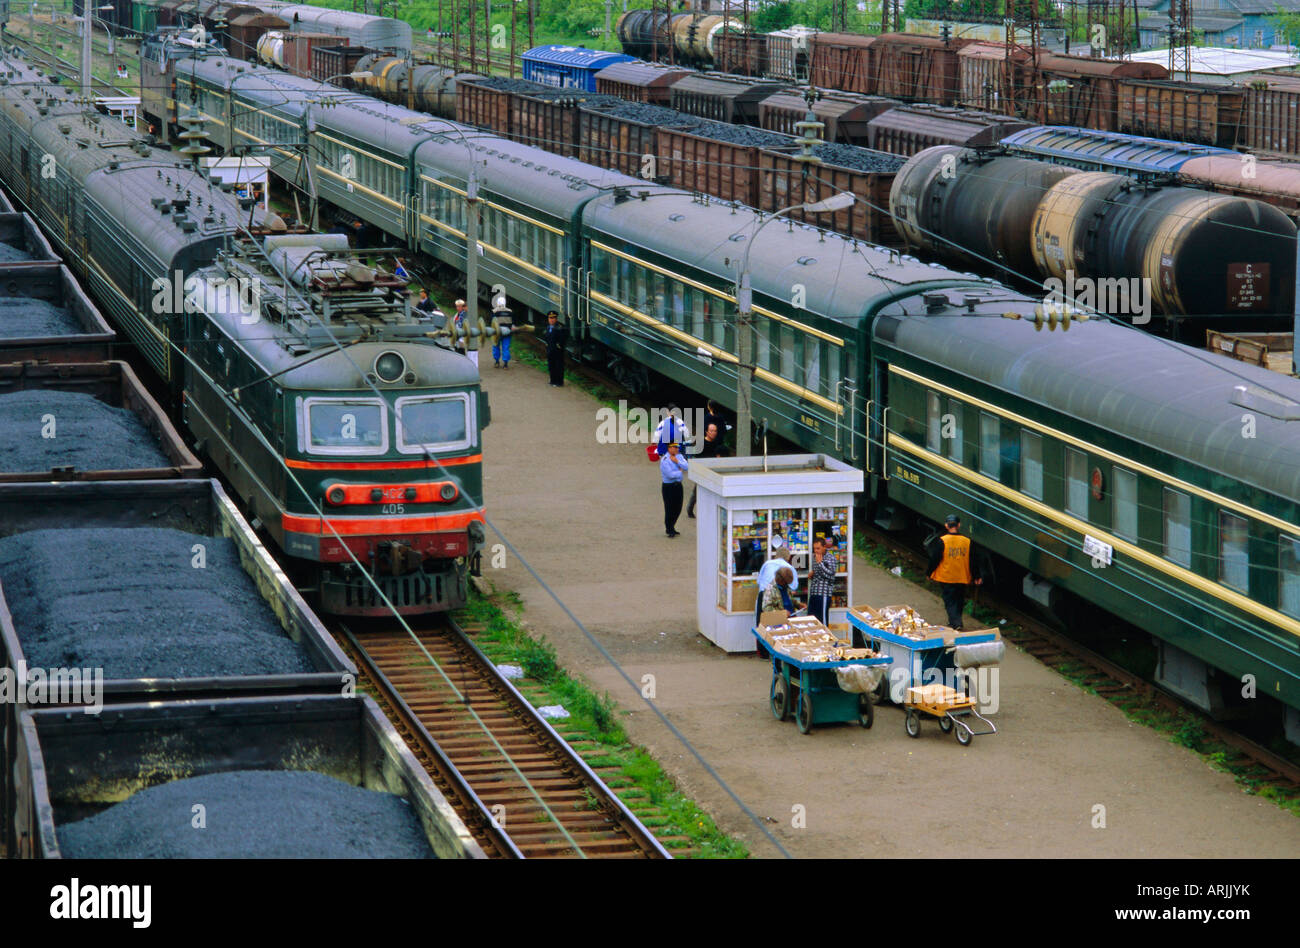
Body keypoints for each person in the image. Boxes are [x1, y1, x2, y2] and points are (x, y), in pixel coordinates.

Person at [927, 514, 983, 630]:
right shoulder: (967, 541)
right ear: (959, 525)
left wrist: (929, 573)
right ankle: (955, 621)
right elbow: (973, 560)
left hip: (946, 576)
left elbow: (935, 559)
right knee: (959, 599)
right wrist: (977, 576)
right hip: (962, 576)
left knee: (950, 601)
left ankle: (956, 623)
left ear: (946, 525)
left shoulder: (943, 541)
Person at [755, 535, 800, 628]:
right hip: (771, 598)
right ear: (788, 558)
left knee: (761, 626)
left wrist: (797, 604)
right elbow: (794, 586)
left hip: (763, 595)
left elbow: (759, 581)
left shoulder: (767, 563)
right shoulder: (789, 568)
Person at [686, 421, 724, 519]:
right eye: (711, 431)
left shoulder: (717, 442)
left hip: (713, 471)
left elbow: (718, 455)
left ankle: (710, 511)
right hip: (702, 471)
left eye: (715, 431)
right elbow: (695, 458)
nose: (714, 433)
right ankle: (690, 509)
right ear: (706, 432)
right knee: (697, 492)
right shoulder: (701, 443)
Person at [659, 441, 689, 537]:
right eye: (675, 447)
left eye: (677, 447)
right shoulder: (665, 460)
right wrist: (680, 472)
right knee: (669, 508)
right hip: (669, 487)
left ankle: (672, 526)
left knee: (678, 508)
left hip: (678, 485)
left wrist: (677, 462)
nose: (677, 449)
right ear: (669, 448)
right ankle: (669, 528)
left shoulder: (679, 457)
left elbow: (687, 466)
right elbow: (670, 475)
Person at [807, 535, 838, 625]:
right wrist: (813, 572)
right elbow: (819, 573)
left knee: (822, 621)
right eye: (814, 549)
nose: (816, 551)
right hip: (814, 593)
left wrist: (820, 563)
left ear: (824, 547)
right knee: (812, 620)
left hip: (823, 594)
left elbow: (831, 575)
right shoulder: (814, 557)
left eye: (818, 548)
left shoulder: (830, 558)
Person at [544, 311, 568, 386]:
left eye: (553, 318)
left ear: (556, 319)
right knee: (551, 365)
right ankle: (553, 380)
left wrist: (559, 346)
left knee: (558, 366)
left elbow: (562, 339)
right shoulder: (548, 327)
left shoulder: (559, 328)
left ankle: (559, 382)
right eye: (550, 318)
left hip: (557, 350)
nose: (552, 320)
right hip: (550, 350)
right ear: (548, 319)